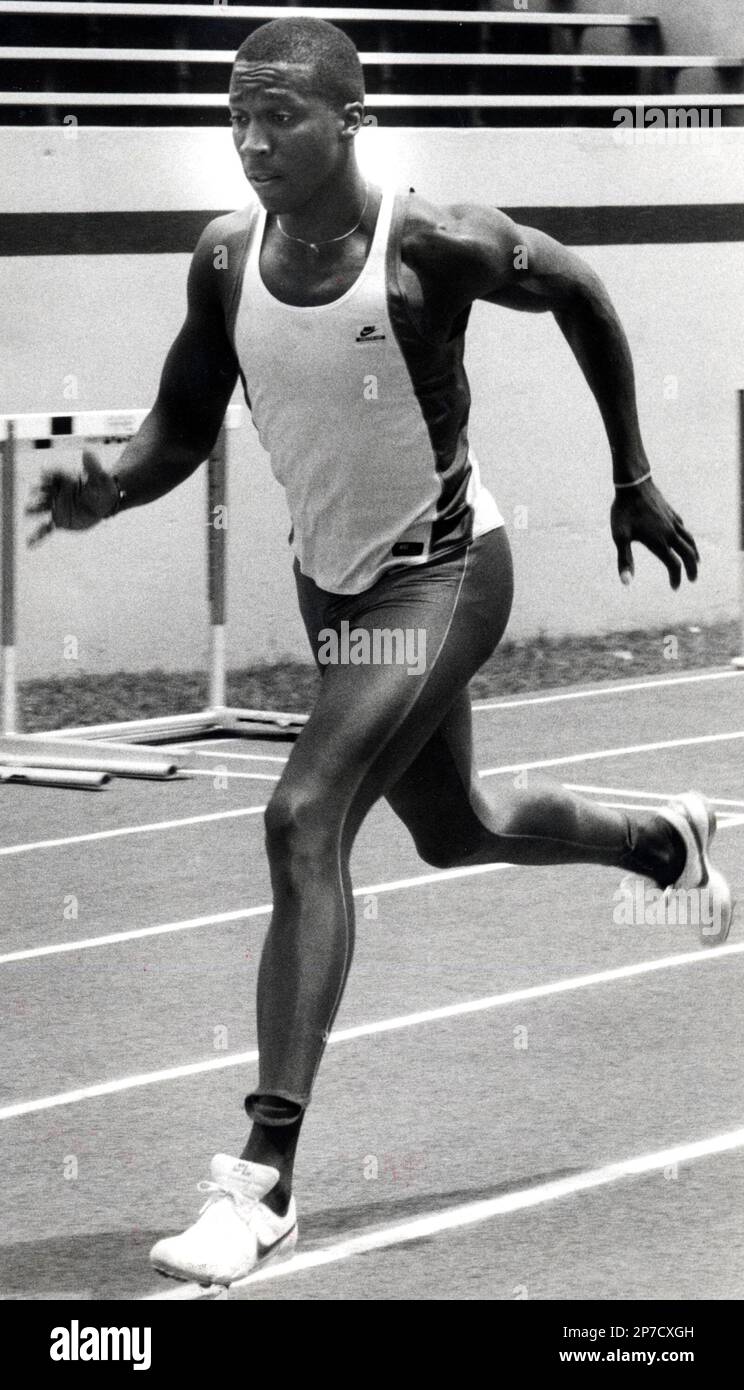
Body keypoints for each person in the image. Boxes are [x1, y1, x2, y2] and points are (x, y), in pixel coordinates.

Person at [27, 17, 733, 1290]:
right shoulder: (224, 260)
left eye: (281, 113)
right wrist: (106, 490)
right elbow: (182, 426)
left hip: (450, 571)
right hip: (334, 586)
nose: (252, 139)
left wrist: (632, 473)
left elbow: (575, 283)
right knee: (453, 826)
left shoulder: (432, 244)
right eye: (236, 113)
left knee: (304, 816)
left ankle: (261, 1180)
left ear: (353, 119)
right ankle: (659, 842)